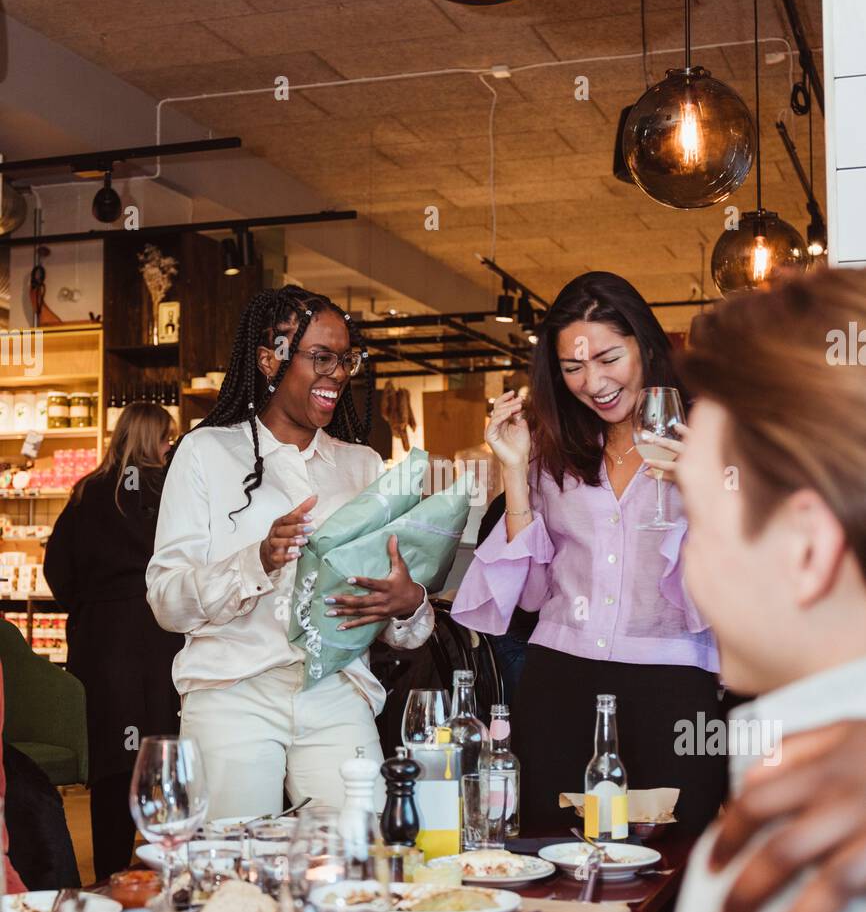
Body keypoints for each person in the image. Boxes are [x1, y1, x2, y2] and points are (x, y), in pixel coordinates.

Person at [307, 265, 866, 912]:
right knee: (562, 881)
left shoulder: (806, 853)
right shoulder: (799, 815)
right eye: (572, 365)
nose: (694, 575)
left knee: (659, 892)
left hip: (669, 704)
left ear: (807, 548)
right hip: (566, 686)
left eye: (706, 531)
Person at [451, 271, 726, 835]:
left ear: (645, 347)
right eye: (573, 368)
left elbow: (747, 576)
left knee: (673, 863)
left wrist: (703, 486)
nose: (593, 382)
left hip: (674, 686)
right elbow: (526, 597)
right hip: (561, 684)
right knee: (555, 861)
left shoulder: (715, 438)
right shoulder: (554, 451)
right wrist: (515, 470)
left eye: (608, 358)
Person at [146, 287, 433, 820]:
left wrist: (406, 600)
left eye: (345, 359)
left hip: (337, 691)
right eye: (321, 357)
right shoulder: (207, 453)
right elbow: (167, 601)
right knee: (235, 868)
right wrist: (257, 559)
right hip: (233, 691)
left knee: (360, 856)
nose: (338, 373)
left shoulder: (363, 466)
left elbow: (402, 629)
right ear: (269, 358)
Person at [43, 401, 182, 880]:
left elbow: (56, 571)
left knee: (113, 762)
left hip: (102, 641)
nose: (169, 447)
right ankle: (168, 870)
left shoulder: (87, 492)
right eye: (166, 438)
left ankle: (110, 877)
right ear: (152, 437)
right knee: (166, 751)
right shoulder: (170, 489)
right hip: (163, 633)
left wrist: (90, 608)